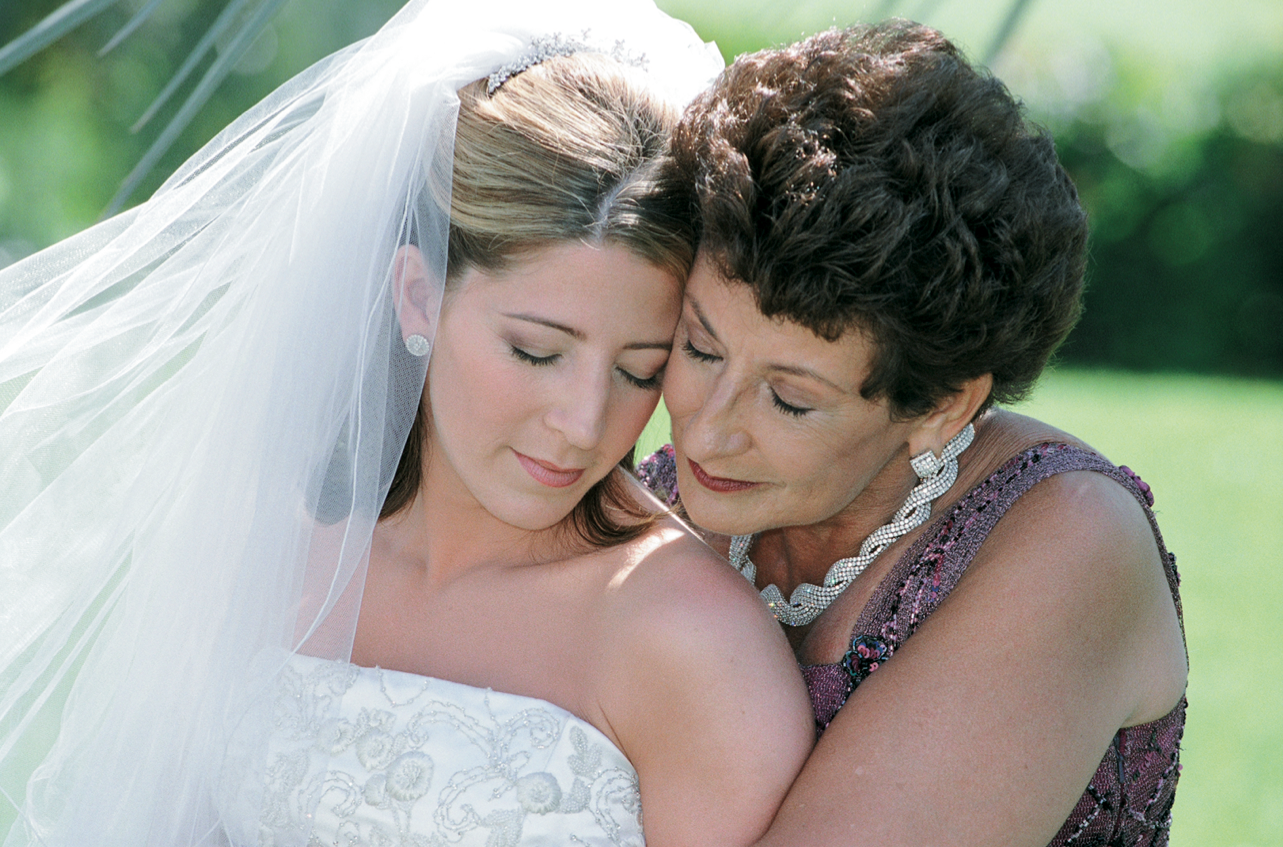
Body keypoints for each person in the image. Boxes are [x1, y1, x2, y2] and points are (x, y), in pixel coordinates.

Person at [0, 2, 814, 844]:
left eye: (639, 369)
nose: (583, 423)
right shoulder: (267, 553)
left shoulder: (691, 645)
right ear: (416, 295)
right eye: (536, 352)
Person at [637, 21, 1187, 847]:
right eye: (700, 345)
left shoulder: (1066, 542)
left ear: (942, 407)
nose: (704, 431)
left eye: (789, 400)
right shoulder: (659, 499)